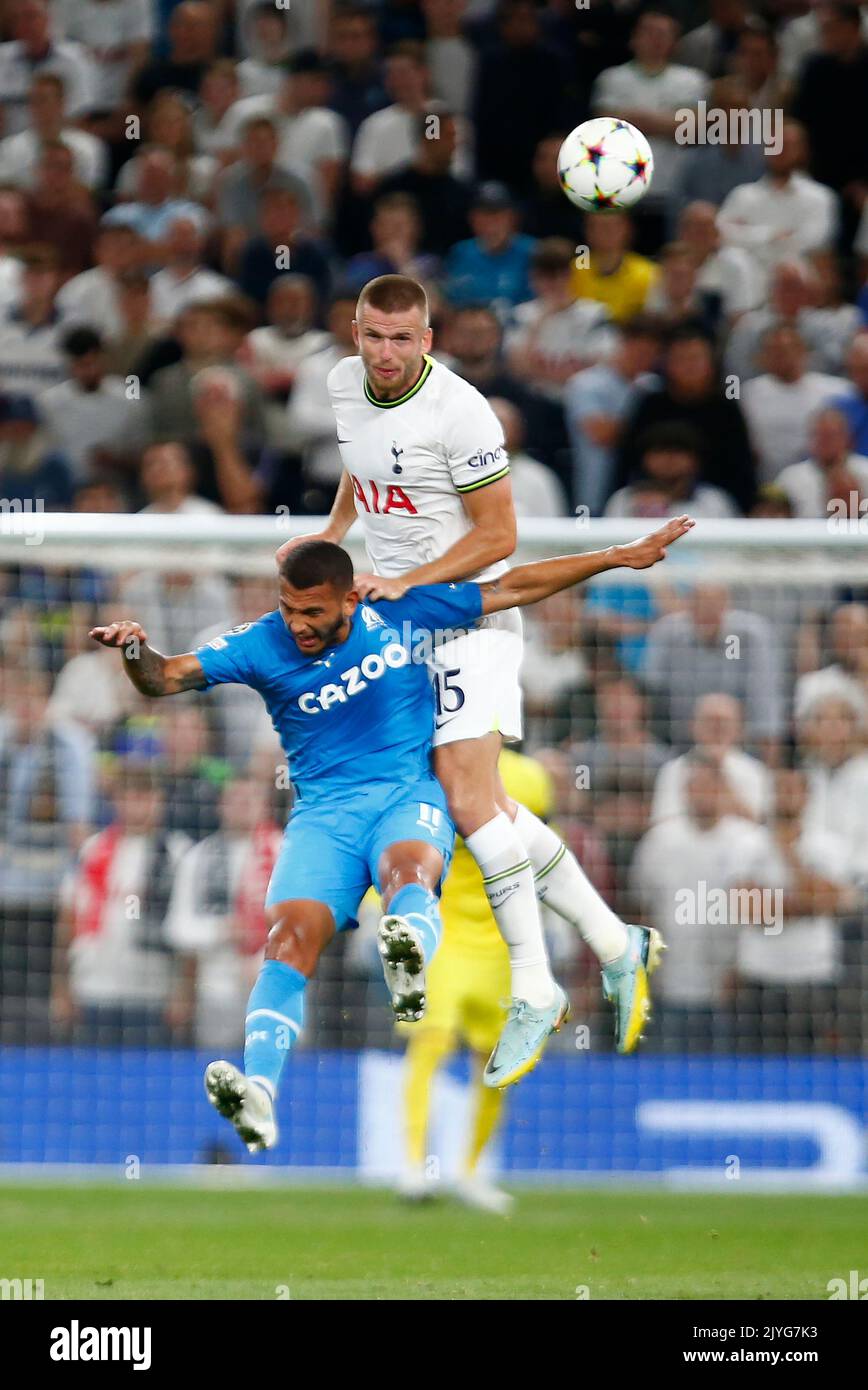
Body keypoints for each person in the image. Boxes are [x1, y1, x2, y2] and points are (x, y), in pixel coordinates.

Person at [91, 520, 693, 1149]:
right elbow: (164, 678)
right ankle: (262, 1095)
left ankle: (409, 953)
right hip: (324, 816)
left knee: (409, 872)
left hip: (407, 792)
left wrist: (618, 557)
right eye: (288, 608)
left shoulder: (402, 610)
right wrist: (135, 650)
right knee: (288, 936)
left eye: (313, 612)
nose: (297, 624)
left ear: (351, 598)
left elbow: (513, 586)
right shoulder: (258, 642)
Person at [280, 274, 680, 1066]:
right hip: (402, 627)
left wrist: (412, 579)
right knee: (486, 803)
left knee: (466, 802)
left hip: (470, 617)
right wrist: (328, 538)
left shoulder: (460, 412)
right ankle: (616, 941)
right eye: (372, 336)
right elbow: (365, 470)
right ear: (354, 334)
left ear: (427, 341)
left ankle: (535, 987)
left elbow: (499, 536)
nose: (386, 354)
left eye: (403, 339)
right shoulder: (339, 385)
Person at [395, 747, 553, 1215]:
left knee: (495, 1056)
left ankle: (472, 1171)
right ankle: (412, 1165)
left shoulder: (532, 779)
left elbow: (542, 848)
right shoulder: (436, 770)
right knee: (431, 1039)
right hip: (443, 927)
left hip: (502, 937)